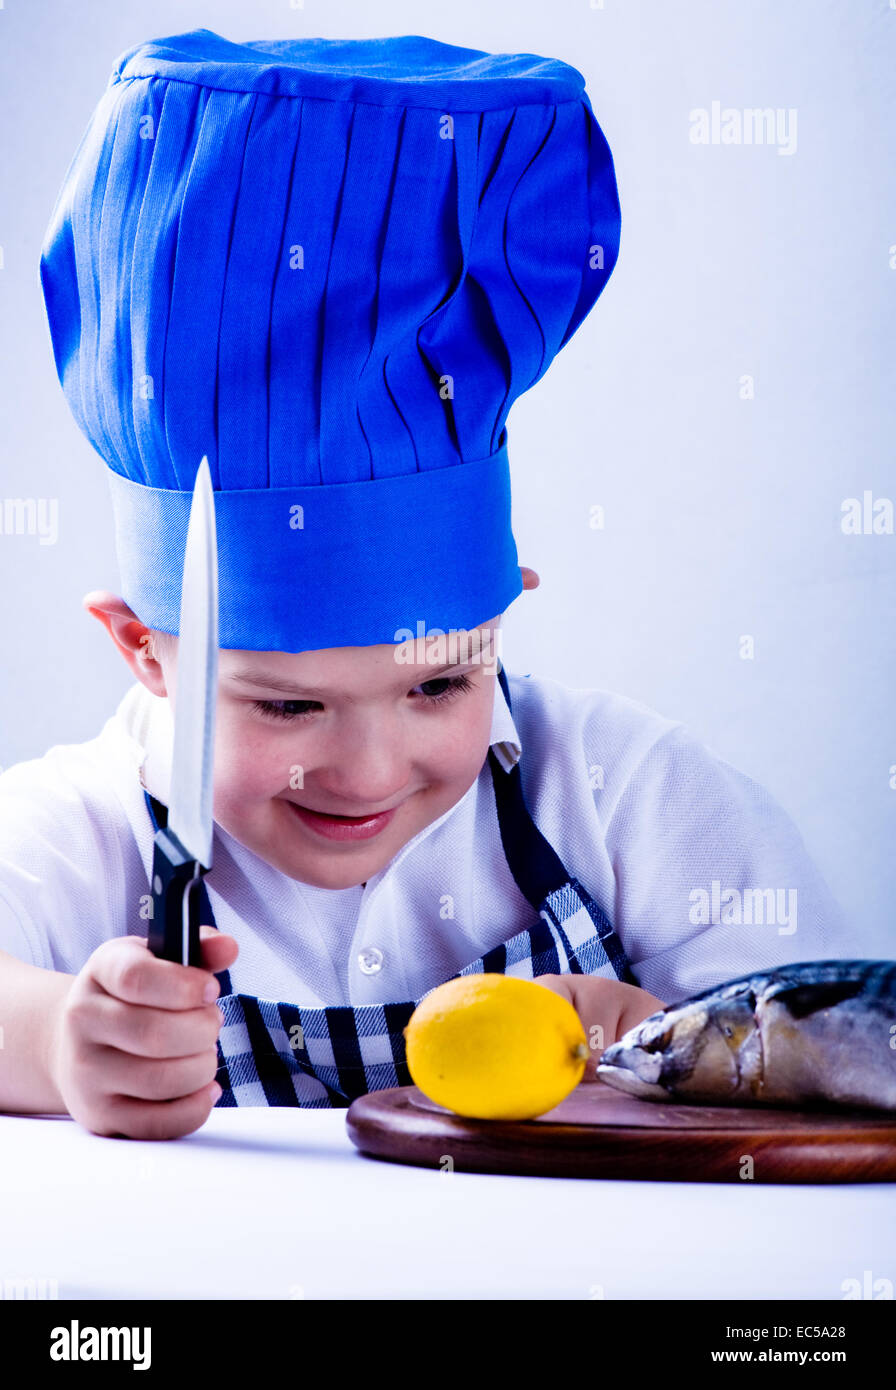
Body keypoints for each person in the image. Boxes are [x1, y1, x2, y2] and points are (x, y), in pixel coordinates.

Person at [0, 30, 847, 1139]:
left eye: (439, 685)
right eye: (287, 704)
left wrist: (662, 1045)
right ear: (143, 652)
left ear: (503, 612)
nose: (366, 769)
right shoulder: (84, 829)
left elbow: (833, 1057)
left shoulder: (629, 796)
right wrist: (59, 1042)